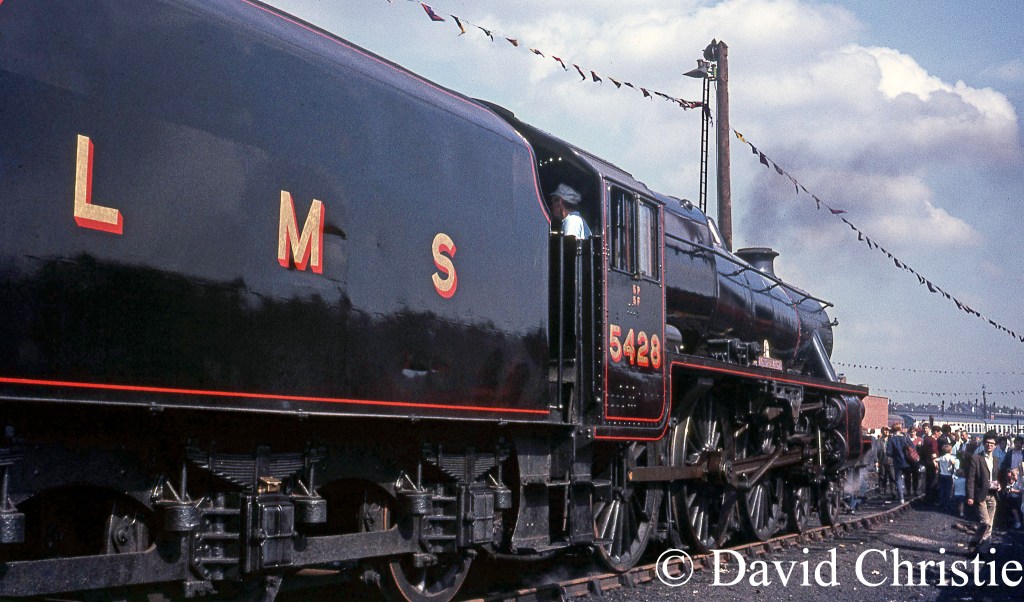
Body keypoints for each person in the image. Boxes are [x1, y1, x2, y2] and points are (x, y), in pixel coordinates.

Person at [966, 432, 1001, 546]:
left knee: (990, 524)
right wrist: (970, 496)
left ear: (995, 446)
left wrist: (999, 485)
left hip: (993, 495)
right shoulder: (976, 458)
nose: (989, 445)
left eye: (992, 443)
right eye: (987, 443)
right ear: (983, 443)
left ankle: (984, 550)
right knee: (985, 522)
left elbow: (995, 476)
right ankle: (975, 541)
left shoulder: (995, 459)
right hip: (980, 494)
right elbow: (970, 478)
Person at [886, 423, 911, 504]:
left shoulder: (891, 439)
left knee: (898, 479)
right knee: (908, 477)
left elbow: (888, 452)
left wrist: (894, 454)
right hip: (907, 461)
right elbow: (913, 447)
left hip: (897, 461)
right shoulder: (906, 438)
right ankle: (909, 493)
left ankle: (901, 498)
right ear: (901, 429)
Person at [935, 444, 959, 511]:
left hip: (942, 474)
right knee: (948, 490)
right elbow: (954, 463)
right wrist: (953, 469)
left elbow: (935, 460)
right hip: (948, 475)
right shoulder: (951, 458)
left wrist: (936, 467)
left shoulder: (942, 457)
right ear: (950, 450)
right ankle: (947, 504)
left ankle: (941, 503)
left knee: (942, 489)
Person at [874, 426, 895, 501]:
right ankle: (882, 491)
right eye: (885, 430)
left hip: (891, 460)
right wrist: (876, 461)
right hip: (882, 460)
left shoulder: (892, 440)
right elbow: (875, 452)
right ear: (882, 431)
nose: (887, 432)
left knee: (892, 476)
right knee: (882, 476)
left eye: (887, 430)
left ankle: (893, 492)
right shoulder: (878, 441)